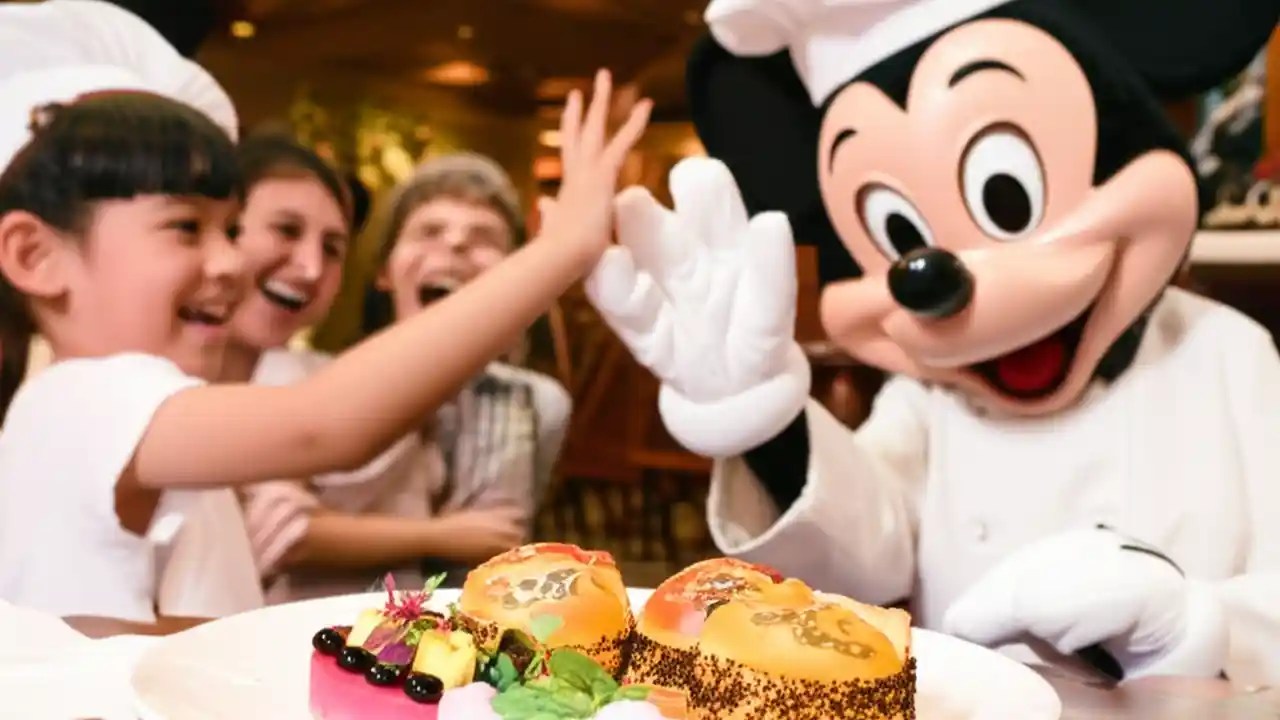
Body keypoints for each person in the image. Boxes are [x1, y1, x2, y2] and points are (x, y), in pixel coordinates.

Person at [588, 0, 1280, 687]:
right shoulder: (928, 394)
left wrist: (1198, 625)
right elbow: (862, 556)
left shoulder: (1228, 354)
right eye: (901, 233)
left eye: (1006, 196)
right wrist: (768, 424)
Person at [0, 0, 651, 634]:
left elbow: (138, 630)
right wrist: (560, 250)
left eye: (230, 229)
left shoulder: (106, 406)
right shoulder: (82, 398)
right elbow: (326, 425)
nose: (229, 262)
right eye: (185, 228)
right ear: (35, 256)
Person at [242, 153, 571, 601]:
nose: (454, 245)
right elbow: (283, 532)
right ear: (384, 270)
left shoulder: (538, 403)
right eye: (429, 231)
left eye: (483, 237)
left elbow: (504, 542)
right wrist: (444, 534)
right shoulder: (312, 381)